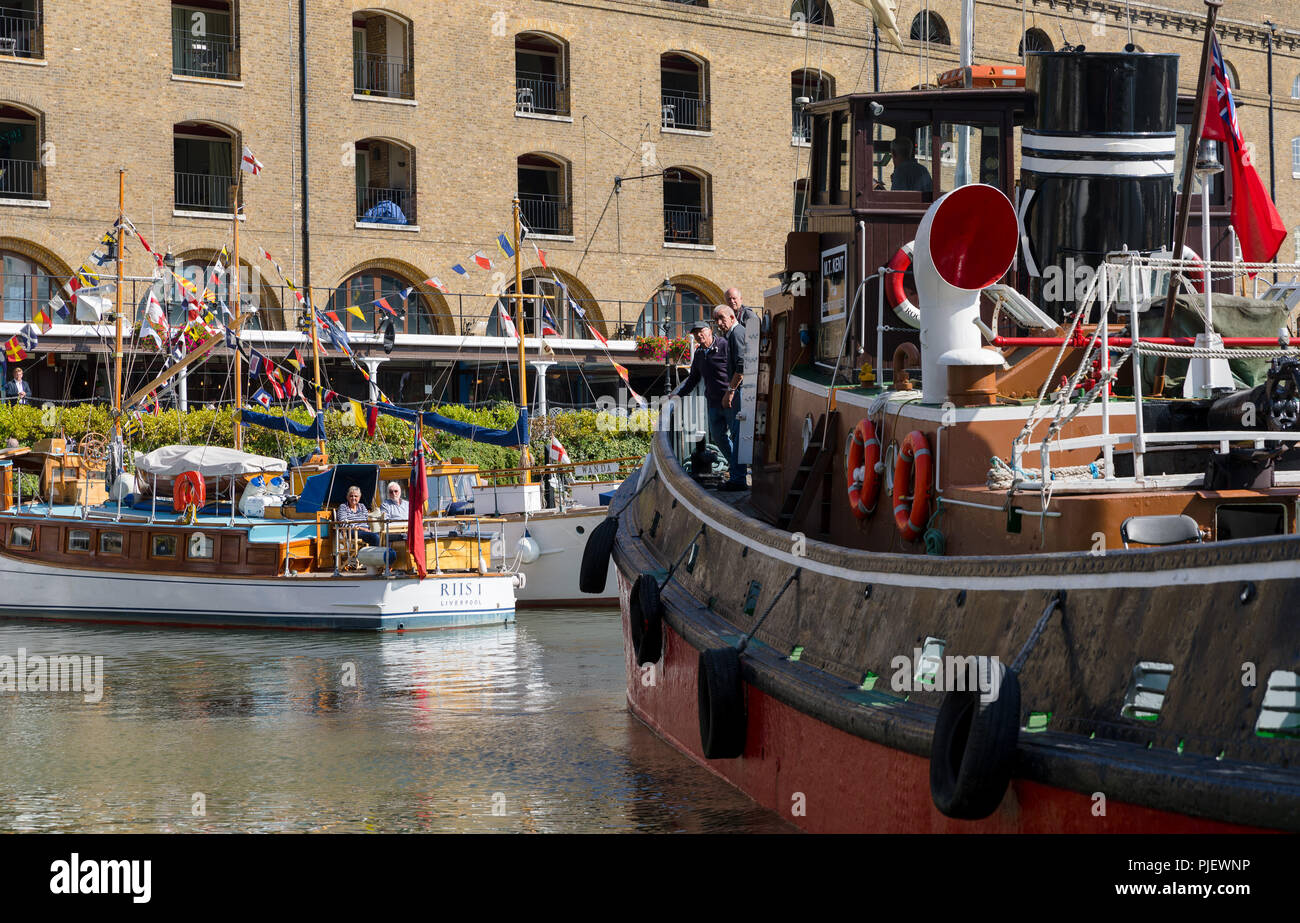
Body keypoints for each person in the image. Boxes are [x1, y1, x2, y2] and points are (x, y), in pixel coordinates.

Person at [673, 320, 732, 485]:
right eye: (695, 333)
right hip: (713, 401)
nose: (699, 335)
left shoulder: (724, 345)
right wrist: (678, 394)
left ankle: (738, 472)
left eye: (702, 331)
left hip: (730, 400)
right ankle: (735, 465)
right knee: (719, 437)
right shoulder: (699, 353)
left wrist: (733, 391)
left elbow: (737, 369)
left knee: (735, 435)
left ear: (710, 330)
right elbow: (693, 379)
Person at [714, 305, 748, 491]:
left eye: (721, 318)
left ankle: (738, 478)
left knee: (738, 433)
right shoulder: (733, 334)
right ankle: (738, 476)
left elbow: (741, 366)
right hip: (738, 390)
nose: (719, 324)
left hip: (740, 391)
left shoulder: (736, 334)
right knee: (737, 433)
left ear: (732, 317)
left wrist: (731, 390)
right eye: (716, 320)